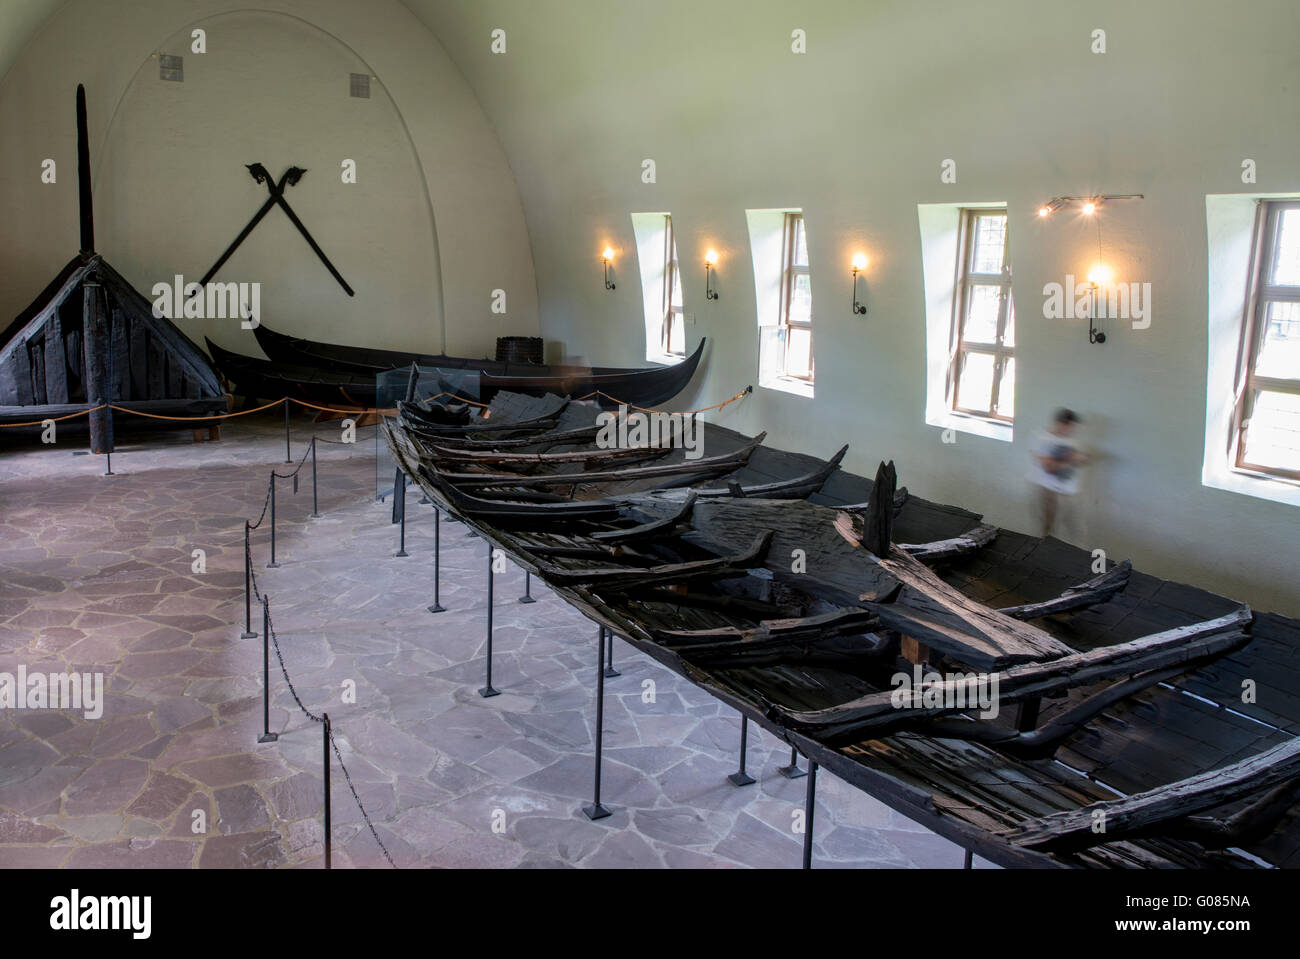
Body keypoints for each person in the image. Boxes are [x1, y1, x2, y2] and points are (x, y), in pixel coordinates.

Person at [1029, 409, 1089, 538]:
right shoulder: (1043, 439)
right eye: (1070, 426)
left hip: (1069, 492)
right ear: (1060, 424)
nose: (1073, 430)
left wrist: (1083, 459)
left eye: (1074, 427)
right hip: (1050, 491)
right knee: (1049, 531)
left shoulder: (1072, 441)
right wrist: (1072, 459)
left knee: (1076, 531)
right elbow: (1048, 467)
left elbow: (1078, 462)